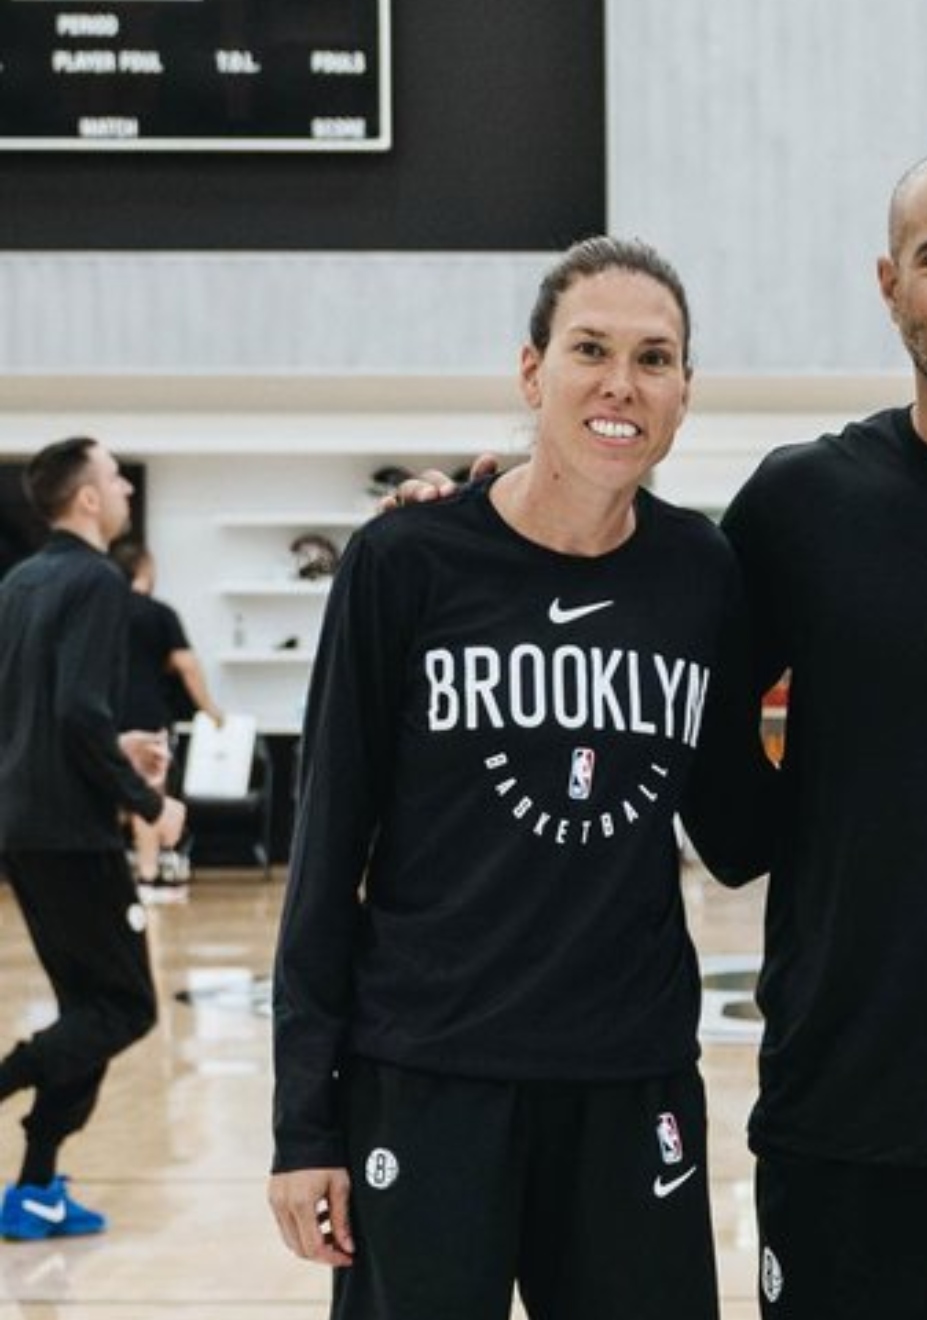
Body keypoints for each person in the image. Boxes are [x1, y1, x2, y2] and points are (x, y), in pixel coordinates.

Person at [401, 143, 927, 1319]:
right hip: (846, 1110)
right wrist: (489, 516)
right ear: (889, 282)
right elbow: (668, 661)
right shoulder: (801, 506)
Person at [266, 238, 775, 1319]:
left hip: (628, 1074)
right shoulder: (406, 562)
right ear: (533, 371)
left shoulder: (702, 573)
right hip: (429, 1073)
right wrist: (304, 1125)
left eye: (656, 358)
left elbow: (737, 834)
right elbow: (325, 853)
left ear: (686, 393)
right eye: (590, 349)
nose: (621, 384)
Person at [0, 436, 188, 1241]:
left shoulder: (18, 582)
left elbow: (39, 718)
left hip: (24, 824)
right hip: (72, 832)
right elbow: (76, 712)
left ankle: (36, 1188)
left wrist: (118, 751)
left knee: (89, 1006)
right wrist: (146, 798)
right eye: (115, 479)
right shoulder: (98, 582)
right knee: (126, 1007)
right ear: (85, 499)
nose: (125, 493)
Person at [110, 539, 225, 895]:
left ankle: (109, 877)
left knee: (105, 795)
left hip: (103, 715)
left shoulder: (101, 611)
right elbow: (186, 666)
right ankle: (147, 873)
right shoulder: (159, 613)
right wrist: (211, 710)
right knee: (147, 792)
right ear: (145, 567)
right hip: (145, 716)